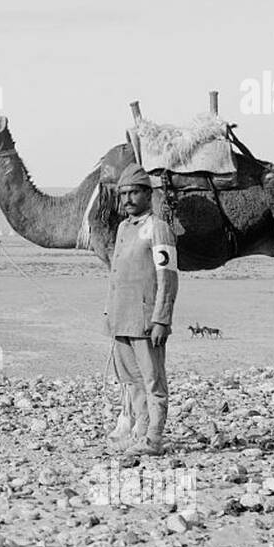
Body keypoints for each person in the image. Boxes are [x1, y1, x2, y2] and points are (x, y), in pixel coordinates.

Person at [102, 164, 178, 455]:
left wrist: (162, 318)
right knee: (131, 383)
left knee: (152, 381)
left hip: (146, 321)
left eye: (134, 192)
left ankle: (154, 438)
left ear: (148, 194)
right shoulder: (123, 228)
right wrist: (109, 315)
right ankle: (141, 433)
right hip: (121, 319)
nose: (128, 199)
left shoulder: (158, 229)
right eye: (124, 194)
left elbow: (167, 277)